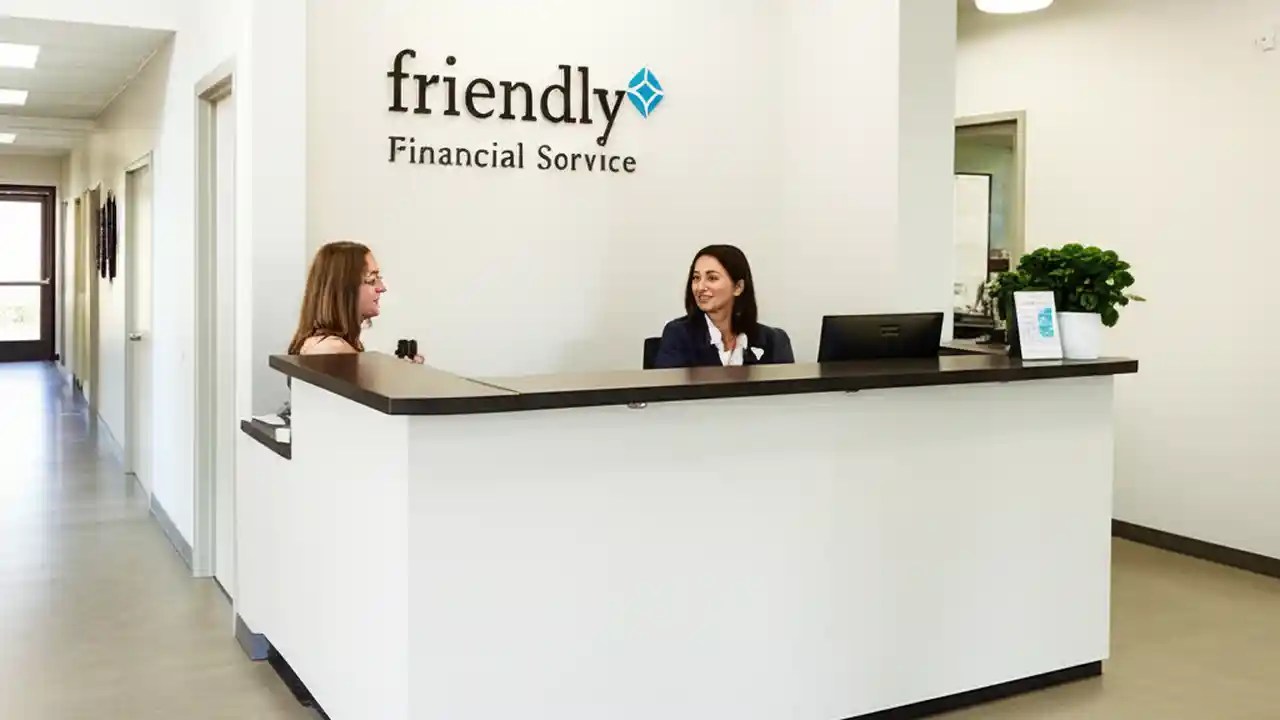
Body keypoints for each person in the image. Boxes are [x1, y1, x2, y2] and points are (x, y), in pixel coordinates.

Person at [653, 244, 794, 368]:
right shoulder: (678, 335)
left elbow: (786, 395)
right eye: (696, 278)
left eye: (712, 278)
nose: (700, 287)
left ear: (738, 287)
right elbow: (670, 395)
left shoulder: (774, 341)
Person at [287, 240, 422, 362]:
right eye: (372, 280)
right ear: (343, 288)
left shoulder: (336, 347)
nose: (382, 288)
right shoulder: (330, 349)